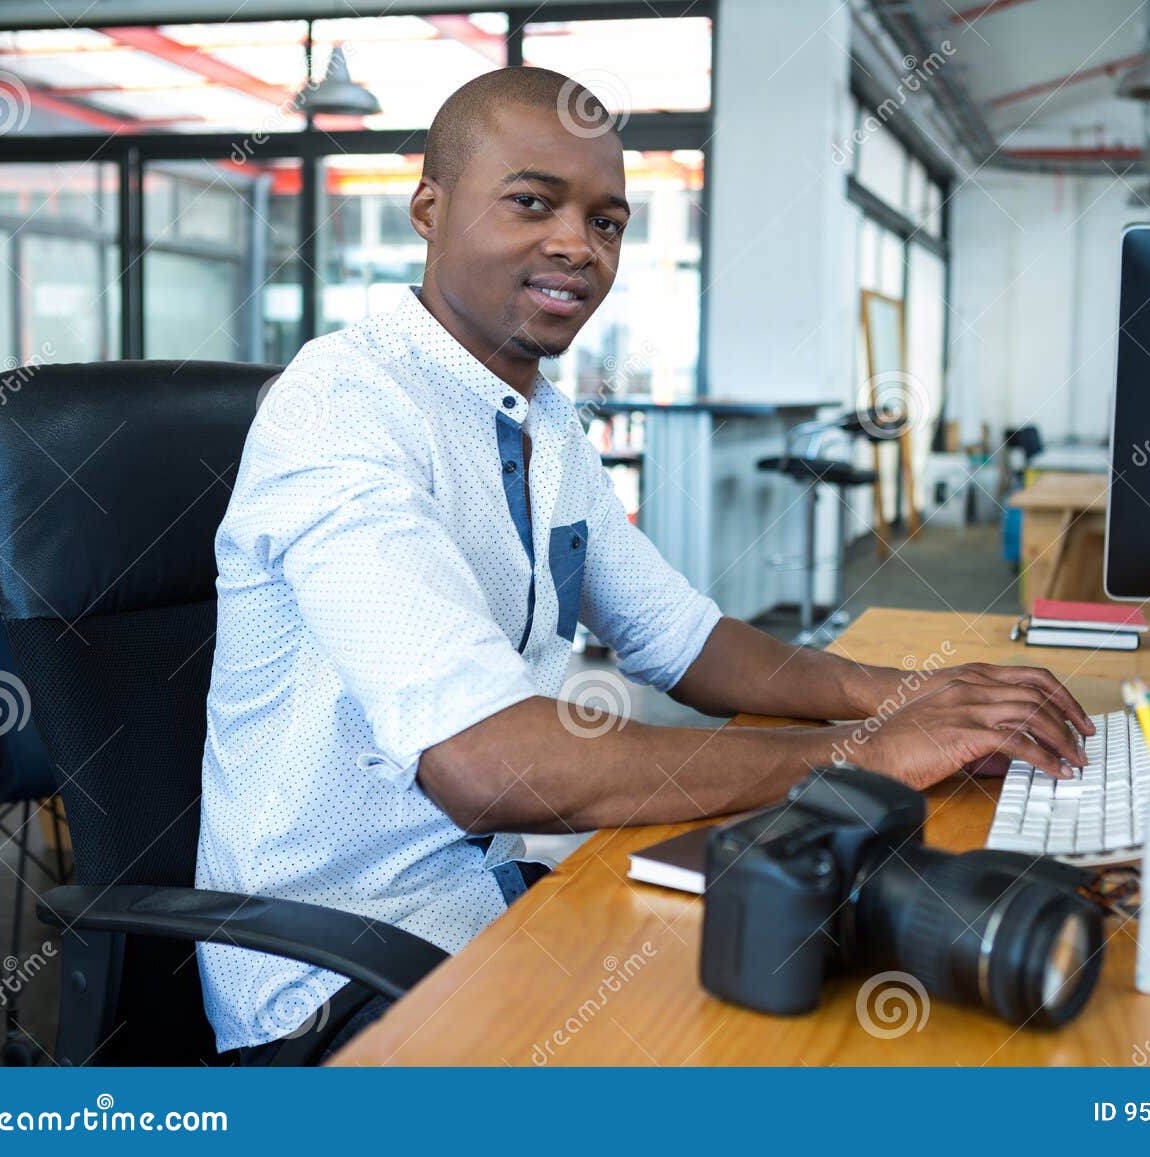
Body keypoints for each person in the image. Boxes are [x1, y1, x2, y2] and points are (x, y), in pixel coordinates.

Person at [196, 66, 1091, 1061]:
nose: (578, 245)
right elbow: (489, 766)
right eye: (532, 202)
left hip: (490, 908)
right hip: (337, 986)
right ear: (429, 209)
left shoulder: (543, 418)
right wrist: (862, 751)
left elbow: (682, 638)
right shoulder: (347, 410)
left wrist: (912, 696)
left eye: (608, 221)